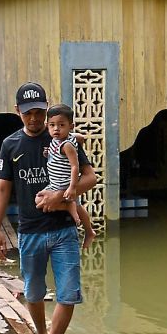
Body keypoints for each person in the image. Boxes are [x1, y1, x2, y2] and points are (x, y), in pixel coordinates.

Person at [0, 82, 98, 334]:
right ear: (18, 113)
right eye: (28, 114)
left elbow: (91, 178)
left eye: (40, 112)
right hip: (30, 232)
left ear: (47, 109)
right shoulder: (10, 145)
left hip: (63, 231)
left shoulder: (62, 138)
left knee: (67, 294)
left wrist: (61, 193)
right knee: (33, 292)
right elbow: (2, 188)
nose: (36, 119)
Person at [44, 104, 96, 248]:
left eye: (61, 125)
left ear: (70, 126)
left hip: (63, 183)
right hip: (57, 182)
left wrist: (73, 187)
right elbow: (80, 137)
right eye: (52, 125)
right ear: (47, 125)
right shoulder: (57, 140)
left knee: (41, 201)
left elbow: (75, 166)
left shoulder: (66, 145)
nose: (56, 129)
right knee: (77, 206)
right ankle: (88, 229)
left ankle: (86, 226)